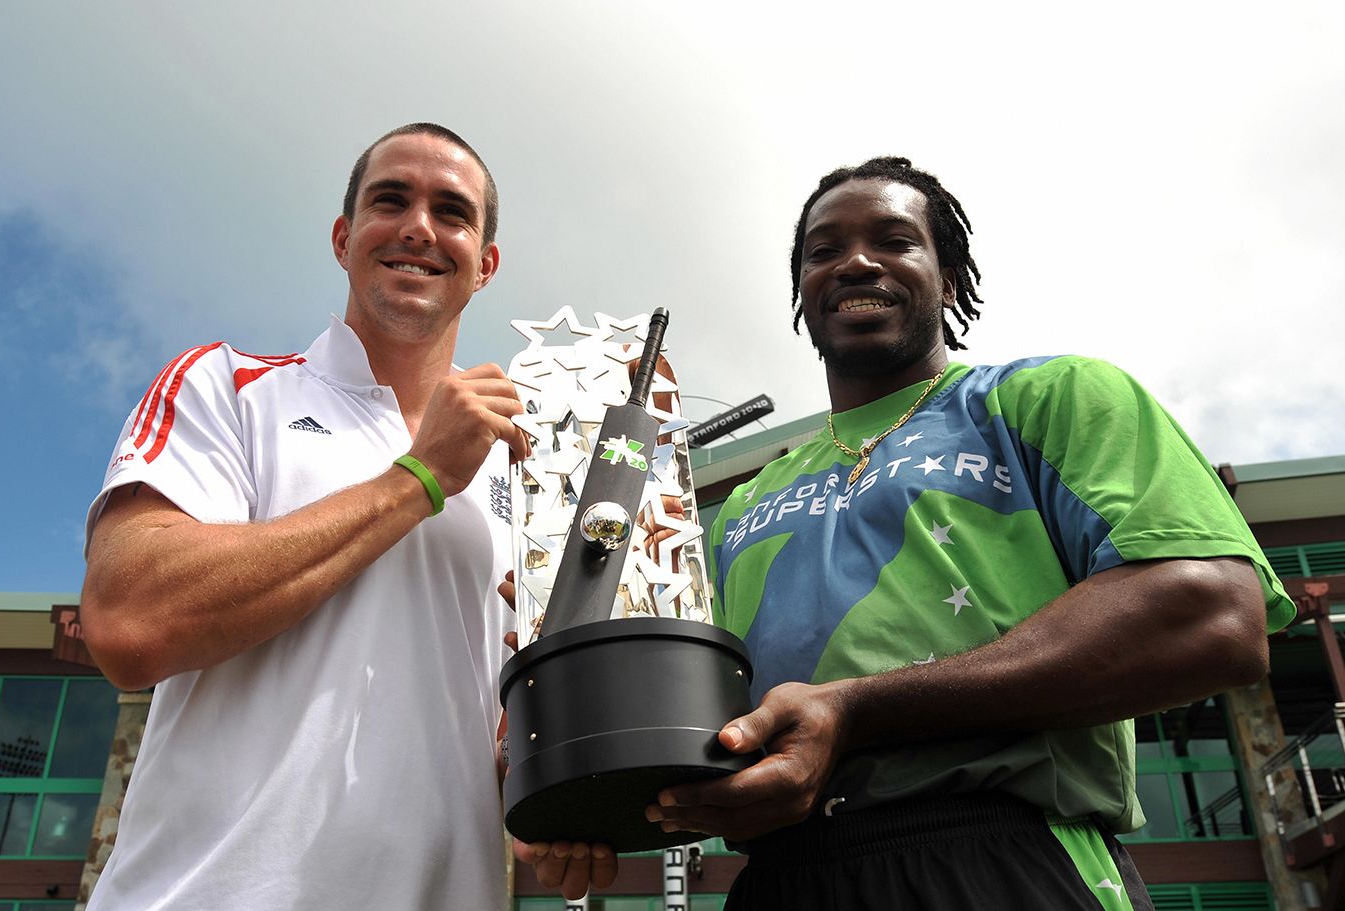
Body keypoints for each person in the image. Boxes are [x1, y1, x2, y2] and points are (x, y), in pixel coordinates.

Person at [526, 157, 1296, 908]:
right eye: (823, 251)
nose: (855, 261)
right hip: (779, 876)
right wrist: (583, 784)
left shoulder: (1048, 397)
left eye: (893, 241)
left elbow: (1215, 616)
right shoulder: (737, 507)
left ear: (948, 278)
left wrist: (858, 708)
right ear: (804, 293)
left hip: (1001, 853)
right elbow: (704, 721)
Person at [79, 123, 534, 909]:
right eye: (389, 200)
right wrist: (418, 476)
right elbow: (128, 619)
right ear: (343, 236)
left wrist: (551, 801)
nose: (418, 226)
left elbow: (504, 726)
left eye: (451, 211)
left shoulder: (528, 466)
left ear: (485, 263)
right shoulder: (227, 386)